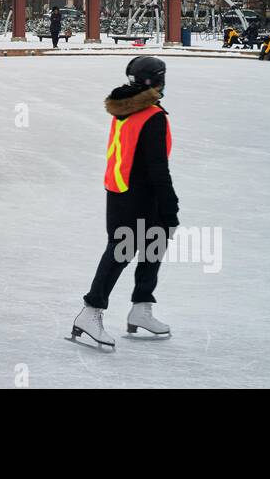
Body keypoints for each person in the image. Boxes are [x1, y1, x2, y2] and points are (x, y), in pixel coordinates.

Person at [72, 56, 177, 348]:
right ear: (156, 81)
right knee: (122, 250)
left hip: (121, 190)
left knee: (154, 242)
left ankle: (142, 307)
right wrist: (171, 204)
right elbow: (158, 167)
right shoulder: (152, 116)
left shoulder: (126, 109)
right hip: (138, 194)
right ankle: (91, 311)